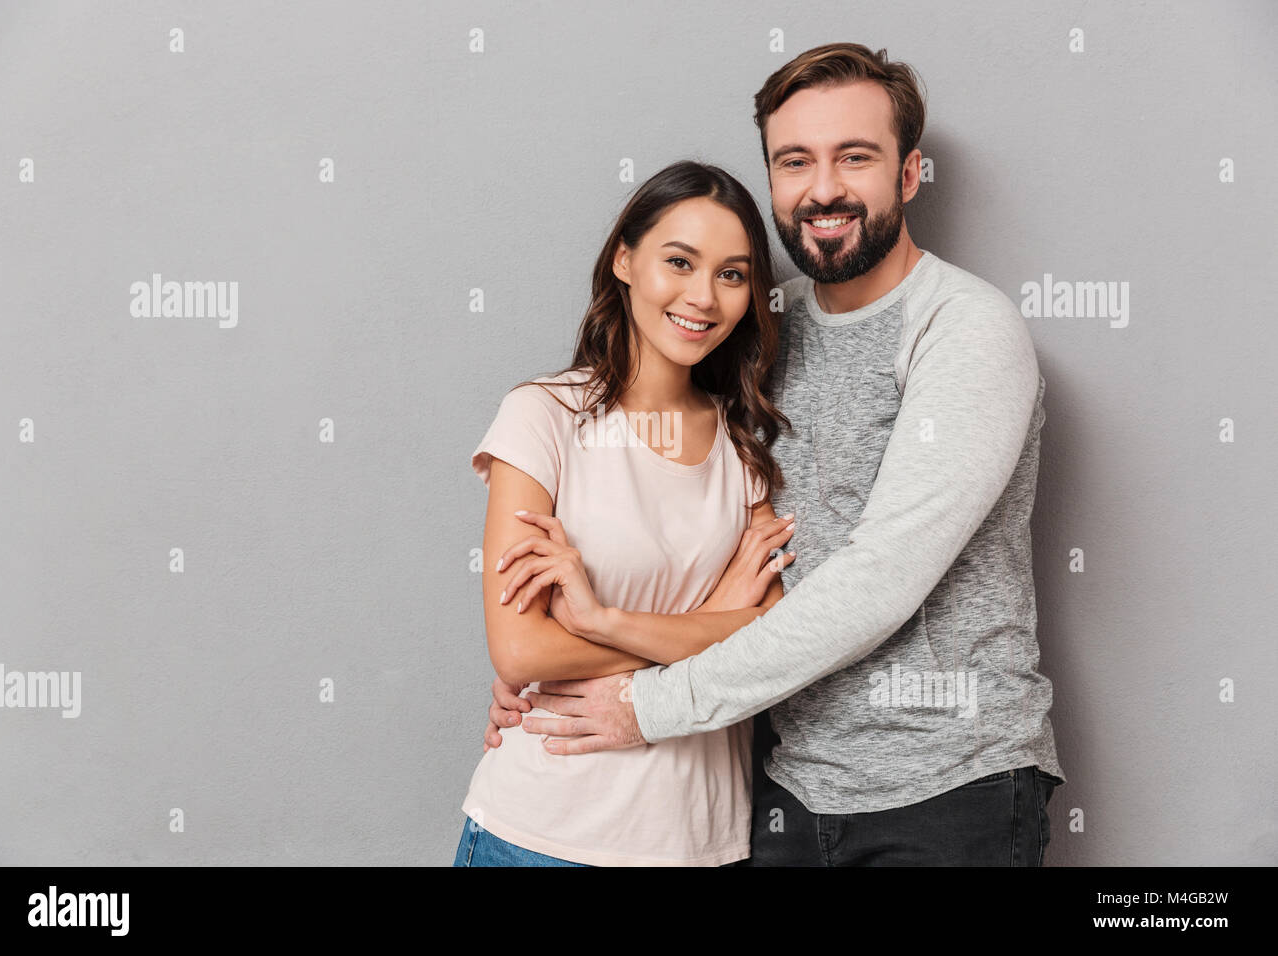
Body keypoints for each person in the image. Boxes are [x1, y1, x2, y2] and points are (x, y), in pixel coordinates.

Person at [486, 42, 1067, 866]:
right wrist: (546, 666)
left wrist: (645, 701)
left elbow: (879, 583)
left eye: (855, 157)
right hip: (783, 788)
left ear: (909, 175)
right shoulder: (755, 321)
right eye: (795, 161)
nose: (823, 188)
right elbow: (660, 485)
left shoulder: (965, 330)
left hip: (947, 787)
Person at [453, 160, 797, 866]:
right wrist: (714, 629)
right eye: (679, 261)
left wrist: (600, 623)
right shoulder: (543, 418)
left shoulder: (745, 448)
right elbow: (519, 650)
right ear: (624, 260)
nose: (703, 296)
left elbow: (775, 647)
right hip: (541, 835)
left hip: (703, 845)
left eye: (732, 275)